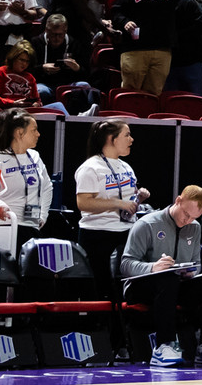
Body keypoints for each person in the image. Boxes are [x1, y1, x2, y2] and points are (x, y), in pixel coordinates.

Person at [120, 185, 202, 367]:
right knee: (167, 278)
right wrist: (153, 267)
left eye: (195, 217)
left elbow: (196, 263)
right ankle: (164, 346)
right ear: (178, 201)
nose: (188, 221)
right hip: (143, 286)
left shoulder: (194, 228)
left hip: (176, 284)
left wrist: (190, 272)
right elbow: (125, 265)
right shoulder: (147, 224)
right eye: (186, 214)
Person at [74, 119, 149, 300]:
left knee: (126, 287)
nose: (131, 140)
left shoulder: (126, 166)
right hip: (98, 236)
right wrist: (118, 203)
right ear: (111, 139)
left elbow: (127, 200)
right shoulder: (91, 167)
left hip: (126, 232)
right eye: (127, 135)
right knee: (102, 290)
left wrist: (139, 197)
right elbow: (83, 203)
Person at [0, 108, 53, 233]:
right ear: (19, 133)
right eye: (34, 130)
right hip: (3, 227)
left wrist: (43, 215)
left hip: (32, 226)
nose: (38, 134)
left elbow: (47, 187)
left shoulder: (35, 156)